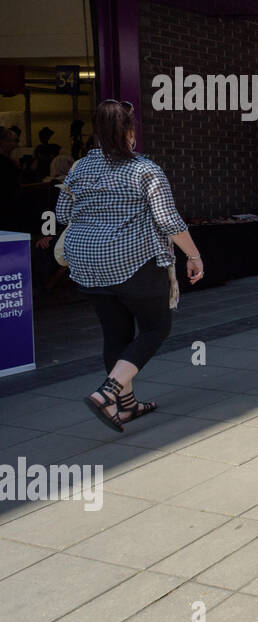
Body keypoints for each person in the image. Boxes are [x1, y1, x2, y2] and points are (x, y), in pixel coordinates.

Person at [56, 99, 203, 431]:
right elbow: (168, 220)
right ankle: (107, 393)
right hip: (133, 262)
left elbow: (63, 213)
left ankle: (127, 406)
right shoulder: (144, 169)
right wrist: (194, 255)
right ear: (131, 133)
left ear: (97, 133)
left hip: (87, 263)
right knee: (155, 328)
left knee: (116, 334)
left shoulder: (79, 168)